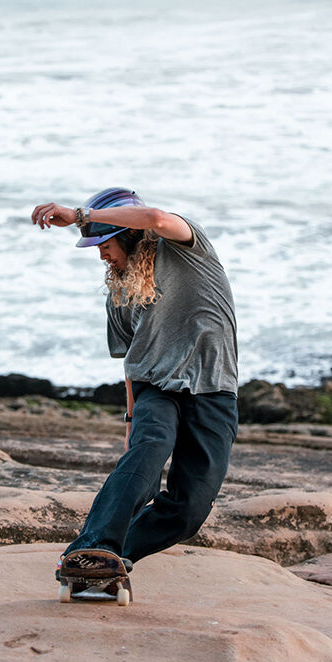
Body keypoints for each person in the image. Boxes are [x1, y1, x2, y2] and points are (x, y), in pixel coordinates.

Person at [31, 188, 238, 579]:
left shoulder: (189, 251)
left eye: (104, 242)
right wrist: (130, 421)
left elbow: (156, 219)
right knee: (148, 451)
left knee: (190, 508)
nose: (100, 254)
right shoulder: (120, 294)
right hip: (155, 389)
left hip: (214, 390)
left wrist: (79, 215)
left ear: (127, 234)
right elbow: (131, 361)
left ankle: (108, 557)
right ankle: (94, 547)